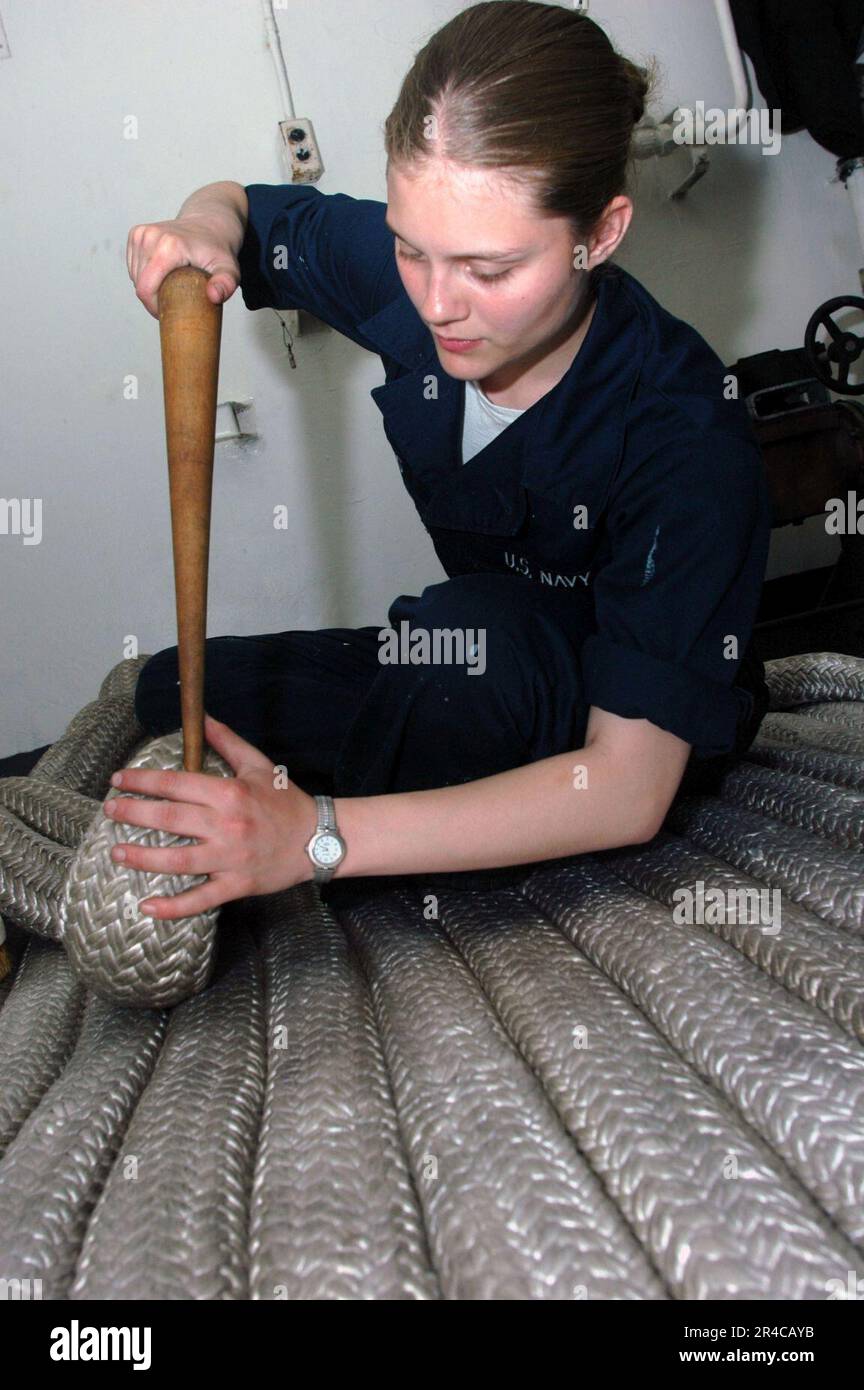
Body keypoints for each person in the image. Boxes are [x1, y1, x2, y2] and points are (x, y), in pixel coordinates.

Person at [118, 0, 771, 917]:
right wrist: (194, 230)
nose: (435, 303)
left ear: (603, 233)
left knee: (477, 645)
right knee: (174, 693)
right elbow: (242, 209)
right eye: (409, 249)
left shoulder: (688, 434)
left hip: (621, 719)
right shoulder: (418, 274)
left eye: (490, 271)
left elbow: (629, 789)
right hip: (469, 657)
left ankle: (358, 840)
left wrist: (312, 838)